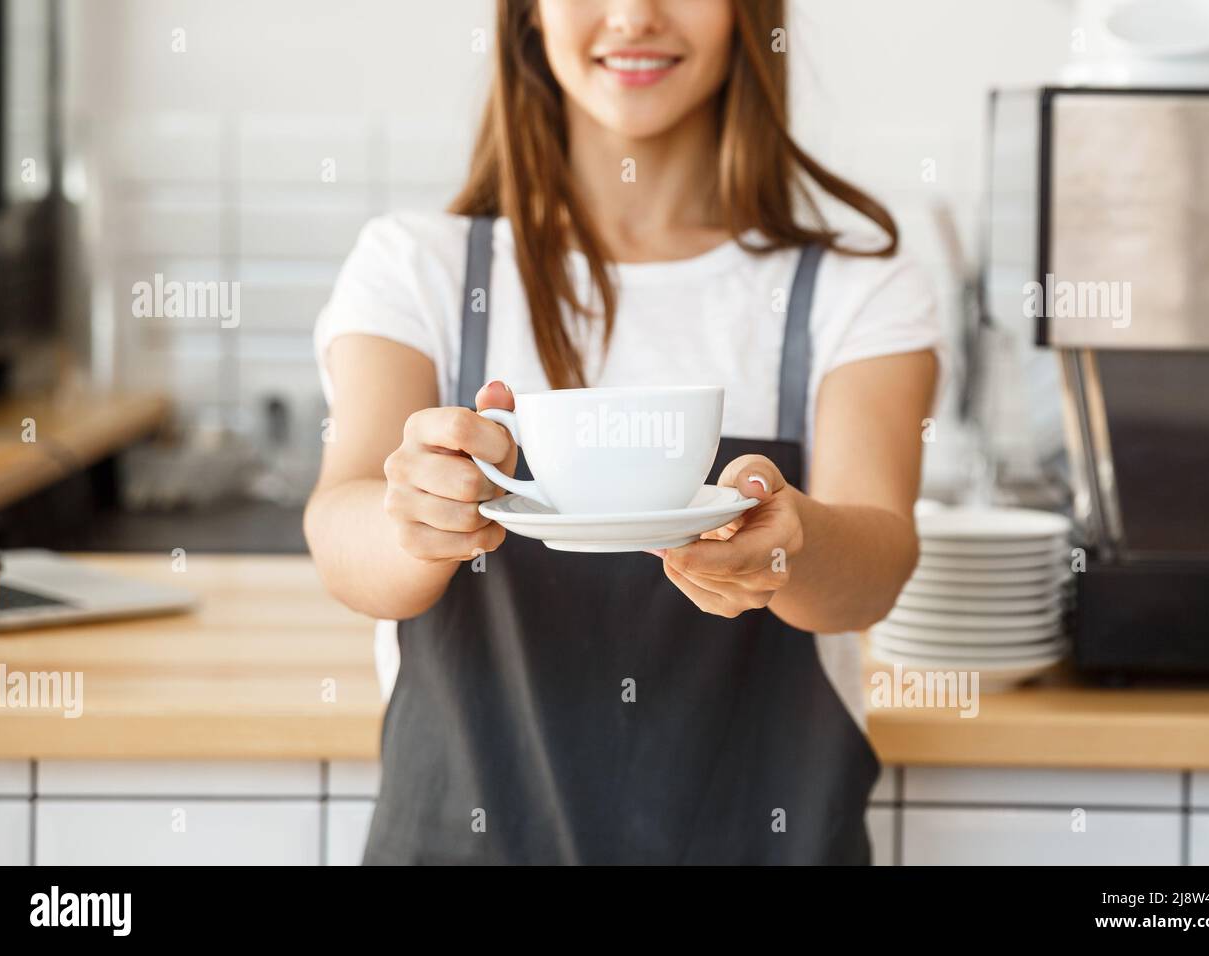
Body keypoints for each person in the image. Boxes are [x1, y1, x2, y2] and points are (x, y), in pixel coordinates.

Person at [306, 0, 941, 864]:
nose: (635, 16)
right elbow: (341, 531)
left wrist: (793, 543)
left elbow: (875, 569)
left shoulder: (857, 289)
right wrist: (413, 513)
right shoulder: (417, 267)